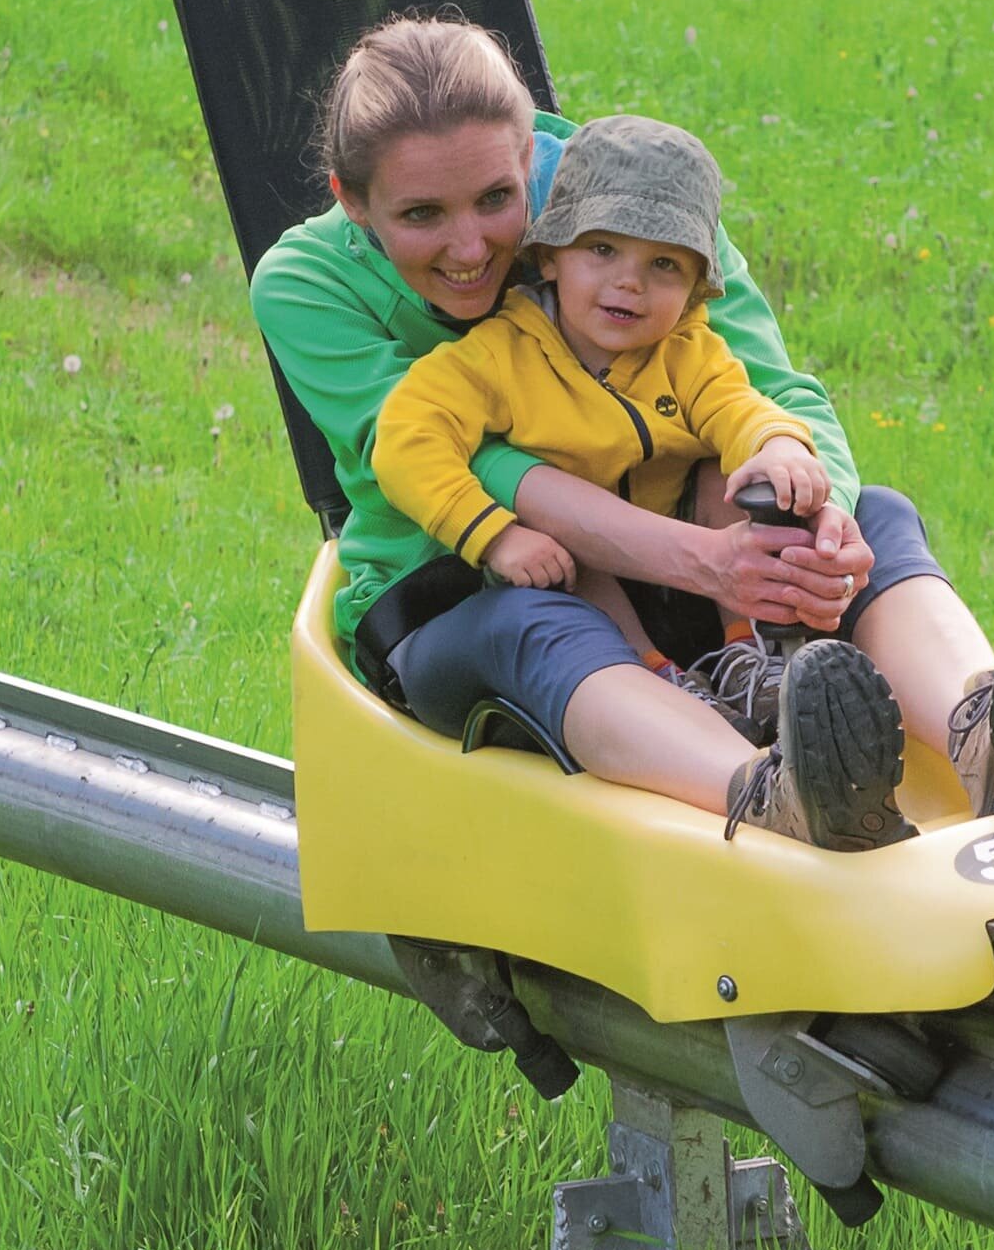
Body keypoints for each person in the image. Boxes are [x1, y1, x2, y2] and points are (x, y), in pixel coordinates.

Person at [249, 12, 994, 846]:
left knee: (878, 516)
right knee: (536, 617)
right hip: (466, 592)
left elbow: (767, 388)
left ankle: (988, 735)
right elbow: (465, 460)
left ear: (531, 164)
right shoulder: (303, 282)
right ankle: (774, 795)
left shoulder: (629, 197)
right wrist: (703, 561)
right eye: (421, 216)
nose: (472, 246)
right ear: (353, 202)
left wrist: (820, 526)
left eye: (496, 198)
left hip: (680, 587)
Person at [368, 109, 922, 849]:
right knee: (561, 557)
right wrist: (493, 533)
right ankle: (677, 696)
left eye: (665, 265)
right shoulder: (498, 356)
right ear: (552, 255)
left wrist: (781, 450)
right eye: (602, 249)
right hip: (567, 582)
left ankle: (762, 667)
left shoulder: (687, 351)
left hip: (677, 587)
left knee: (744, 476)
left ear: (695, 287)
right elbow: (408, 439)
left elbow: (740, 406)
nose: (630, 283)